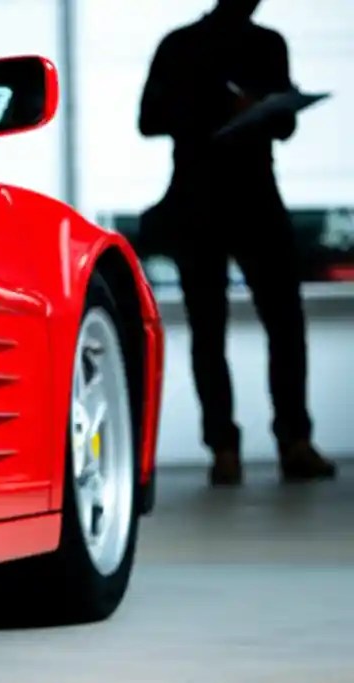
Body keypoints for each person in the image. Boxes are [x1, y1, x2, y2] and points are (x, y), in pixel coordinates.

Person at [138, 0, 336, 484]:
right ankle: (269, 443)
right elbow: (150, 120)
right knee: (245, 328)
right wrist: (222, 107)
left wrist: (264, 109)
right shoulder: (198, 46)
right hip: (225, 199)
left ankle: (245, 446)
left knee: (253, 328)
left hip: (230, 198)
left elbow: (283, 125)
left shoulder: (212, 44)